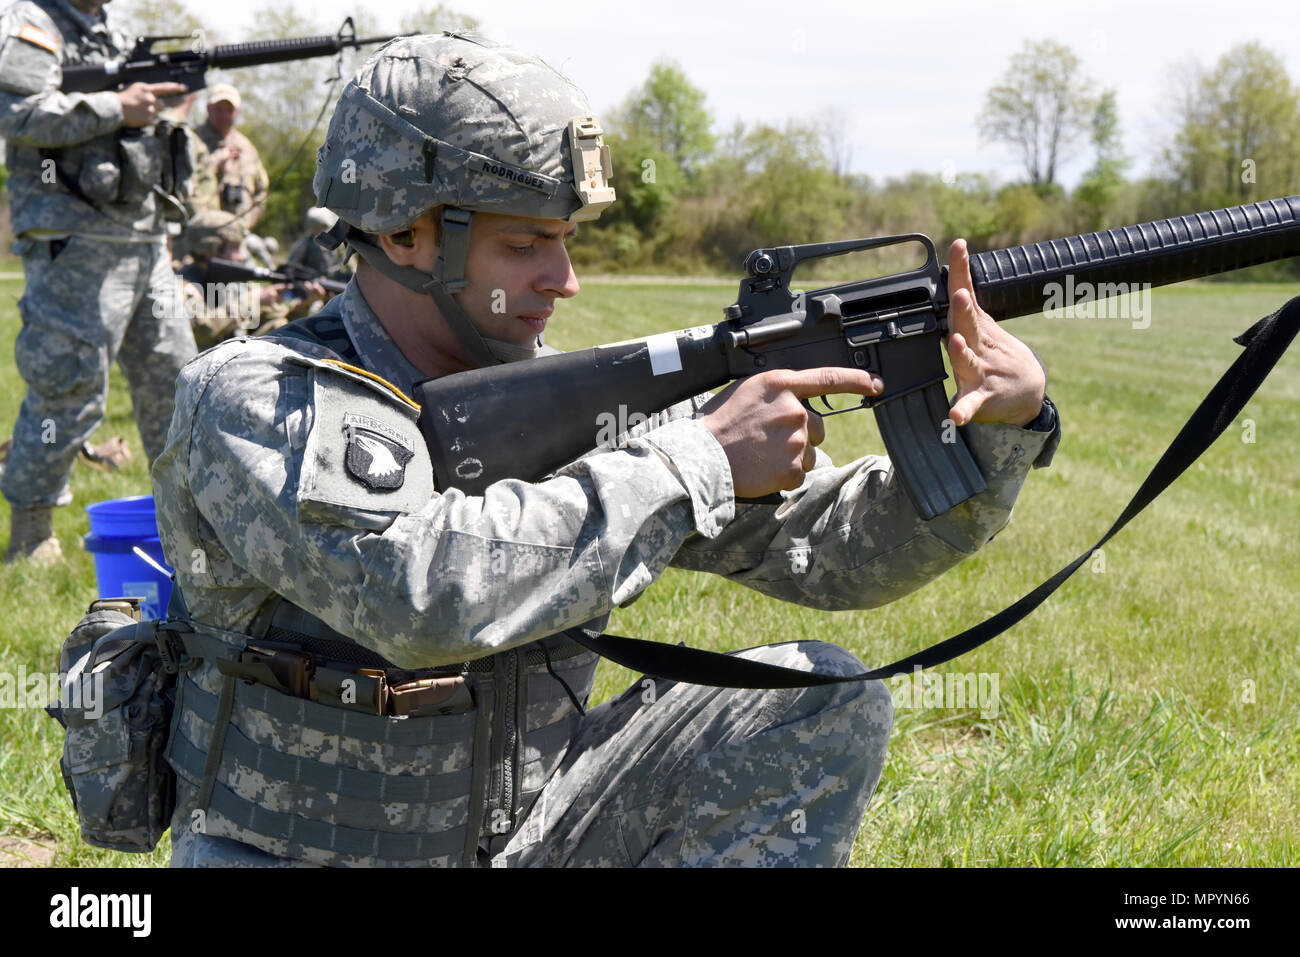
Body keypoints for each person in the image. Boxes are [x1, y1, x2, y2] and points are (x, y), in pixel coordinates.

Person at [153, 33, 1059, 868]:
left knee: (819, 694)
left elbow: (832, 554)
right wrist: (697, 461)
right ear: (403, 234)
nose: (566, 278)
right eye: (525, 244)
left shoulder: (567, 399)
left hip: (537, 828)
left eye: (566, 240)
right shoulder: (258, 395)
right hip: (300, 853)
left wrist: (993, 435)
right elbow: (417, 593)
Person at [0, 0, 197, 564]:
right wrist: (117, 106)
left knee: (177, 381)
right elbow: (15, 112)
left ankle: (183, 525)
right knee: (71, 381)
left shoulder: (116, 32)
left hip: (141, 233)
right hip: (73, 236)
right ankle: (32, 530)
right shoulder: (33, 25)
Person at [197, 83, 269, 239]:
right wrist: (213, 165)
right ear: (208, 109)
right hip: (202, 240)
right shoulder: (194, 141)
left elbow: (262, 192)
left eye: (229, 111)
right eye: (219, 110)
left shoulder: (246, 148)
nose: (224, 116)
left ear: (238, 112)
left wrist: (245, 224)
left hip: (238, 239)